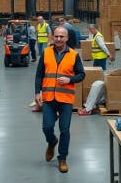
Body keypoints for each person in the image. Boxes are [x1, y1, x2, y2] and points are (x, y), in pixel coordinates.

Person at [35, 26, 85, 173]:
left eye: (61, 37)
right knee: (47, 127)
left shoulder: (74, 55)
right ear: (53, 37)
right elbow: (39, 75)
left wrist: (69, 79)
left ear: (67, 38)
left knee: (65, 130)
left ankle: (62, 158)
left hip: (65, 99)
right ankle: (52, 142)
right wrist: (37, 92)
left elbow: (81, 74)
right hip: (49, 98)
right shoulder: (46, 52)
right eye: (56, 36)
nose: (58, 39)